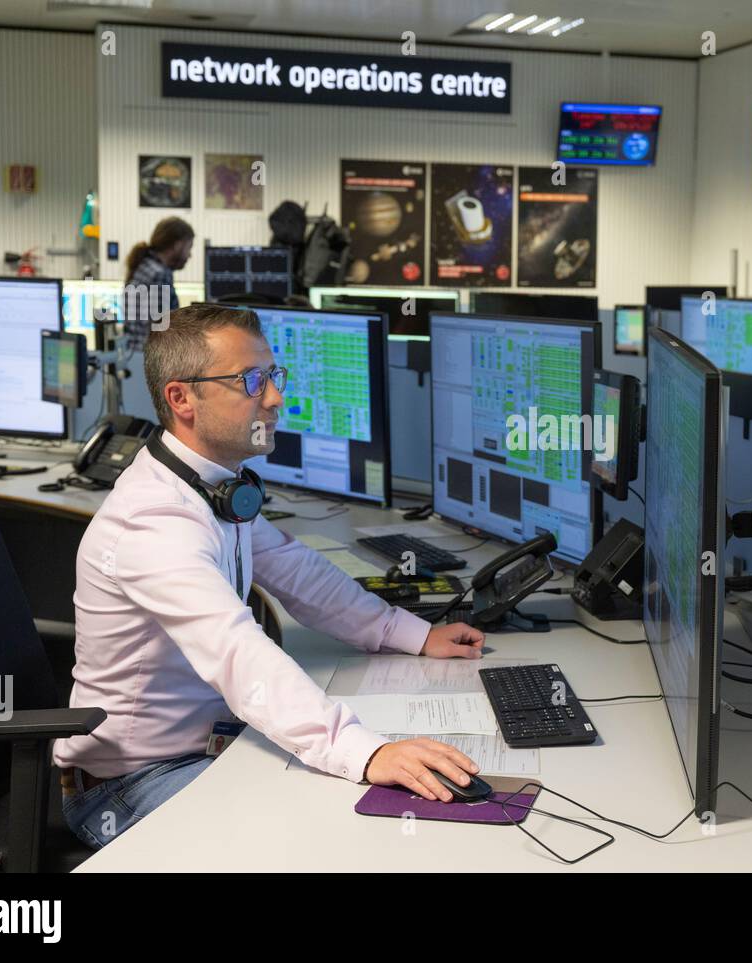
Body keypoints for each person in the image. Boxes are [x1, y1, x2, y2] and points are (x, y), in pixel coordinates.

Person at [54, 304, 484, 850]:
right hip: (128, 784)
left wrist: (412, 634)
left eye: (272, 377)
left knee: (349, 813)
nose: (275, 398)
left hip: (208, 745)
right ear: (181, 399)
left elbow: (296, 571)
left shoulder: (209, 487)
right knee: (323, 840)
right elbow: (236, 650)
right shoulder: (154, 523)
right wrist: (366, 752)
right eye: (251, 382)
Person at [123, 216, 194, 350]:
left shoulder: (142, 266)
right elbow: (163, 330)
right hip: (150, 360)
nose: (189, 255)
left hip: (134, 355)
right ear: (177, 245)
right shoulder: (160, 274)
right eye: (189, 247)